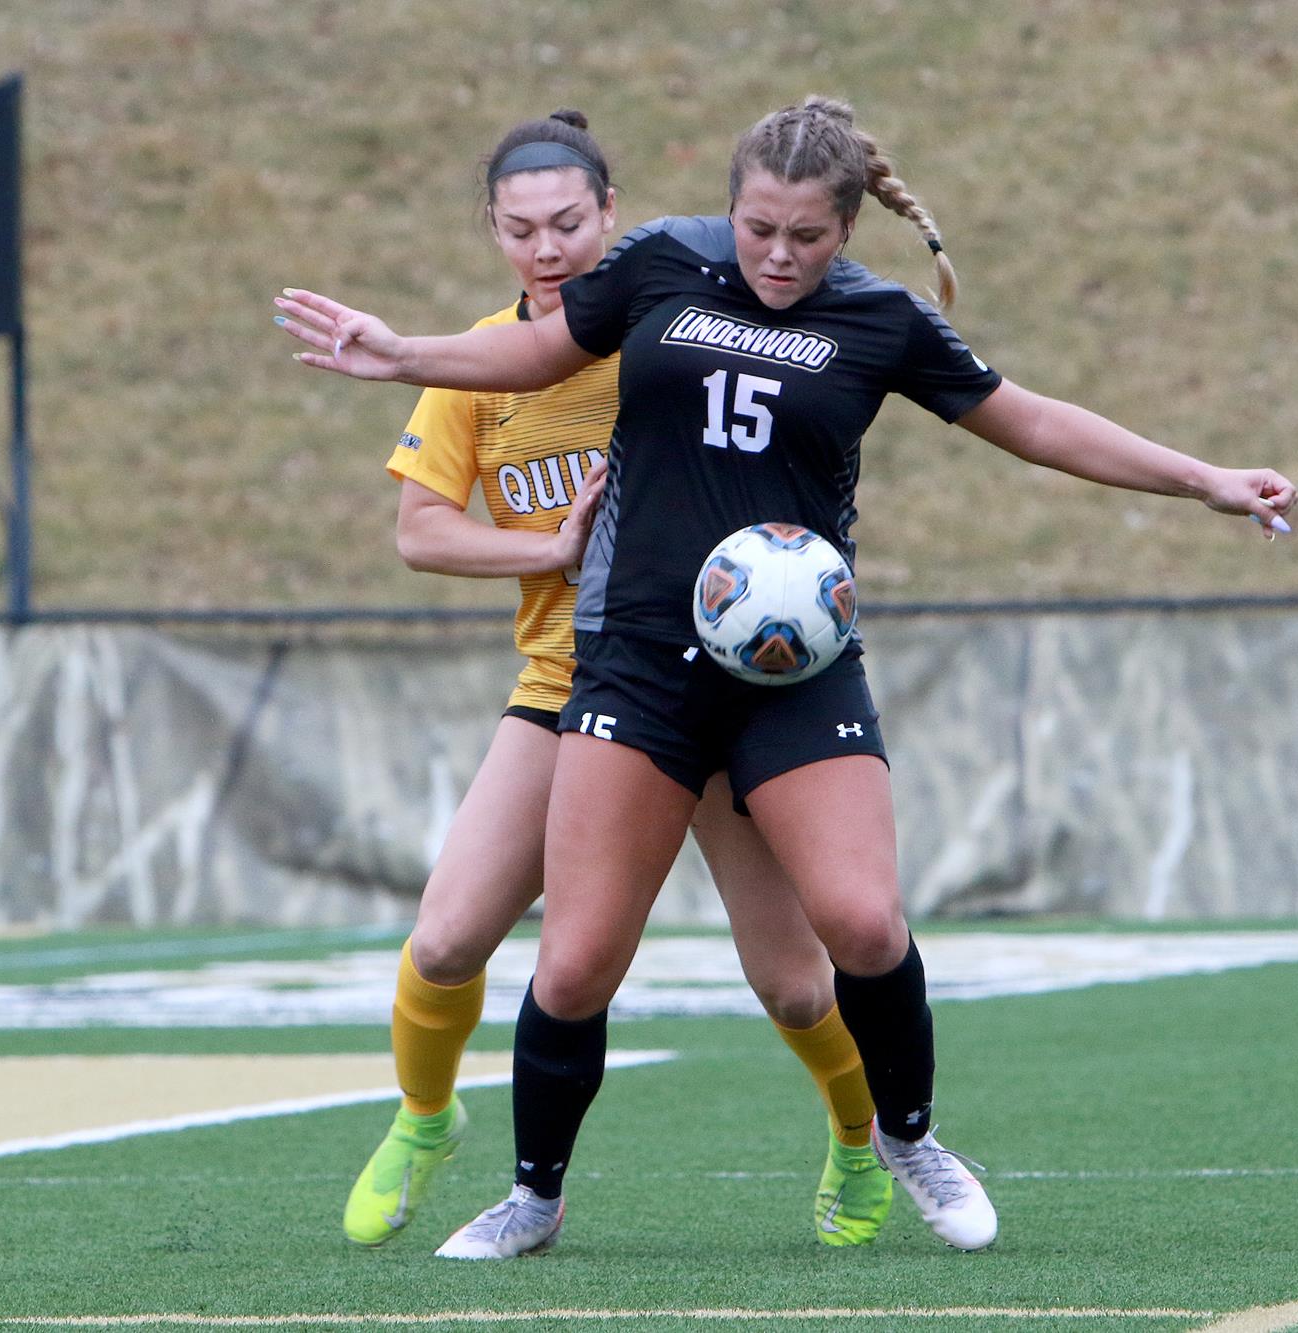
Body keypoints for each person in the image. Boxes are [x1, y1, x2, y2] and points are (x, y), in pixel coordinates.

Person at [277, 95, 1298, 1259]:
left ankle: (905, 1136)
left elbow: (1031, 423)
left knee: (857, 925)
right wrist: (402, 353)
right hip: (638, 665)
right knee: (575, 959)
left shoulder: (881, 319)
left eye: (804, 236)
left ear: (845, 230)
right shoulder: (657, 263)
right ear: (728, 209)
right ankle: (533, 1195)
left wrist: (1204, 478)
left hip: (791, 675)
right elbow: (534, 349)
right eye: (756, 228)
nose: (775, 254)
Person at [328, 109, 892, 1253]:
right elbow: (420, 531)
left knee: (793, 982)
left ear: (612, 216)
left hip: (723, 684)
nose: (545, 249)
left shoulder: (676, 322)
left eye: (567, 223)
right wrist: (545, 548)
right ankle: (426, 1119)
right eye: (519, 229)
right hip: (568, 684)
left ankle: (859, 1140)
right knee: (448, 940)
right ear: (492, 232)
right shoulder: (484, 364)